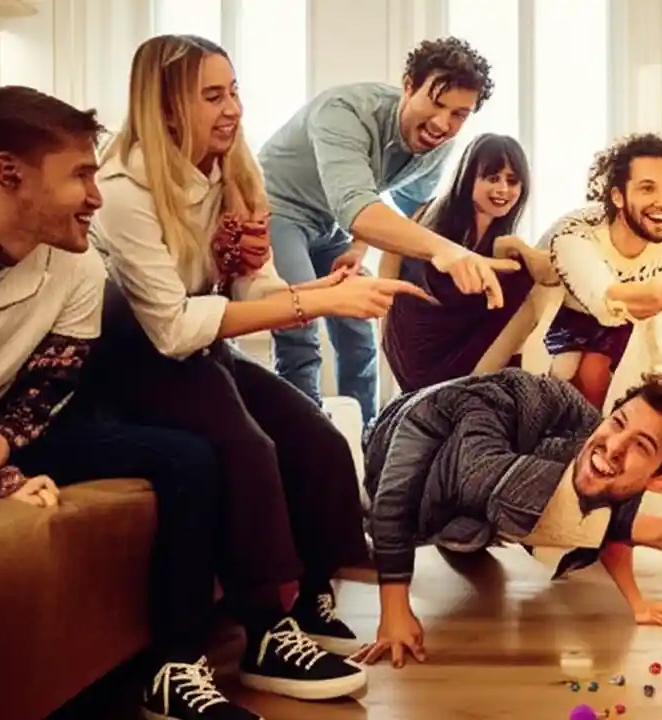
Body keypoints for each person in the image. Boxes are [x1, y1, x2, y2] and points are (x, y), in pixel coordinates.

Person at [87, 35, 431, 705]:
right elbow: (171, 327)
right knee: (248, 448)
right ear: (164, 108)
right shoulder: (122, 190)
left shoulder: (227, 175)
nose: (233, 110)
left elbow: (252, 295)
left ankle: (307, 597)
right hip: (134, 363)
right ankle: (267, 630)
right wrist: (319, 302)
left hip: (199, 351)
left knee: (320, 440)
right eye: (213, 95)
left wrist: (320, 290)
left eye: (235, 91)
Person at [0, 86, 249, 719]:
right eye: (80, 174)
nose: (97, 194)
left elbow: (52, 380)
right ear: (9, 174)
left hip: (2, 421)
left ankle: (173, 668)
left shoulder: (79, 264)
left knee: (187, 459)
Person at [351, 368, 662, 667]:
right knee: (532, 471)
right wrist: (395, 608)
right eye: (616, 424)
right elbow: (397, 488)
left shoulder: (577, 448)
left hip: (467, 524)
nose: (612, 445)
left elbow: (607, 503)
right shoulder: (499, 408)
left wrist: (637, 601)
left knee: (597, 478)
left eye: (640, 444)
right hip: (397, 439)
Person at [258, 36, 520, 421]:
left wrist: (359, 249)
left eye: (459, 115)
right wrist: (445, 250)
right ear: (409, 85)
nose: (443, 124)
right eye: (436, 102)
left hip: (331, 225)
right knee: (299, 331)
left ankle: (366, 439)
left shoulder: (438, 144)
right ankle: (306, 436)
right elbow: (359, 207)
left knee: (358, 330)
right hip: (277, 210)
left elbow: (403, 209)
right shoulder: (345, 112)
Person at [539, 132, 662, 409]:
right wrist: (656, 292)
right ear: (618, 196)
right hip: (557, 318)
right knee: (576, 372)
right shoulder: (574, 233)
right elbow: (605, 294)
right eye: (648, 188)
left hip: (619, 325)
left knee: (610, 375)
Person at [380, 132, 555, 392]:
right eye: (492, 178)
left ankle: (474, 386)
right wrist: (384, 325)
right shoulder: (435, 216)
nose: (503, 190)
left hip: (447, 349)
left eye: (512, 181)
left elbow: (548, 273)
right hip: (419, 347)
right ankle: (471, 389)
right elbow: (391, 253)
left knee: (525, 281)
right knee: (523, 282)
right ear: (468, 177)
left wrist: (512, 247)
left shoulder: (495, 236)